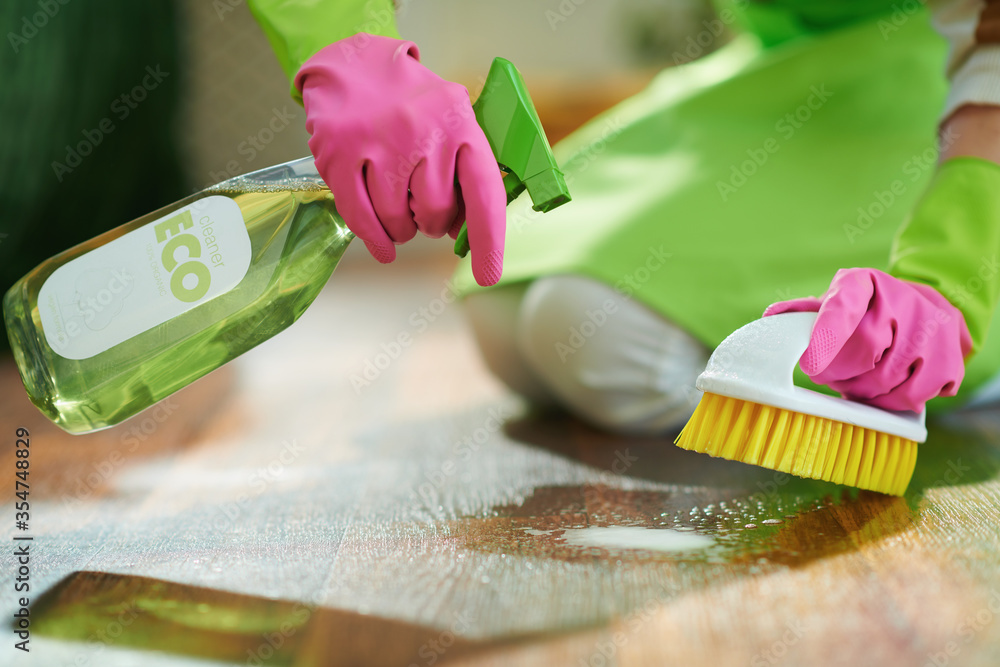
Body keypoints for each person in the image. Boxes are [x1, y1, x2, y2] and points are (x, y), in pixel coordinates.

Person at [248, 0, 1000, 433]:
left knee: (599, 333)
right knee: (506, 305)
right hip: (784, 77)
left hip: (953, 102)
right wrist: (351, 49)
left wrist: (951, 281)